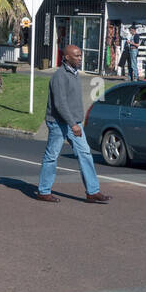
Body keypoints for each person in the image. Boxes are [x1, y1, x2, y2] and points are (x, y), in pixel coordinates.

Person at [35, 44, 110, 205]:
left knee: (85, 154)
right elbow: (60, 104)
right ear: (66, 57)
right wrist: (73, 124)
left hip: (74, 122)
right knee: (52, 156)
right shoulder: (60, 76)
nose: (80, 58)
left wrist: (76, 122)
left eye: (81, 55)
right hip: (58, 123)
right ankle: (44, 191)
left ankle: (93, 191)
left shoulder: (75, 73)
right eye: (76, 56)